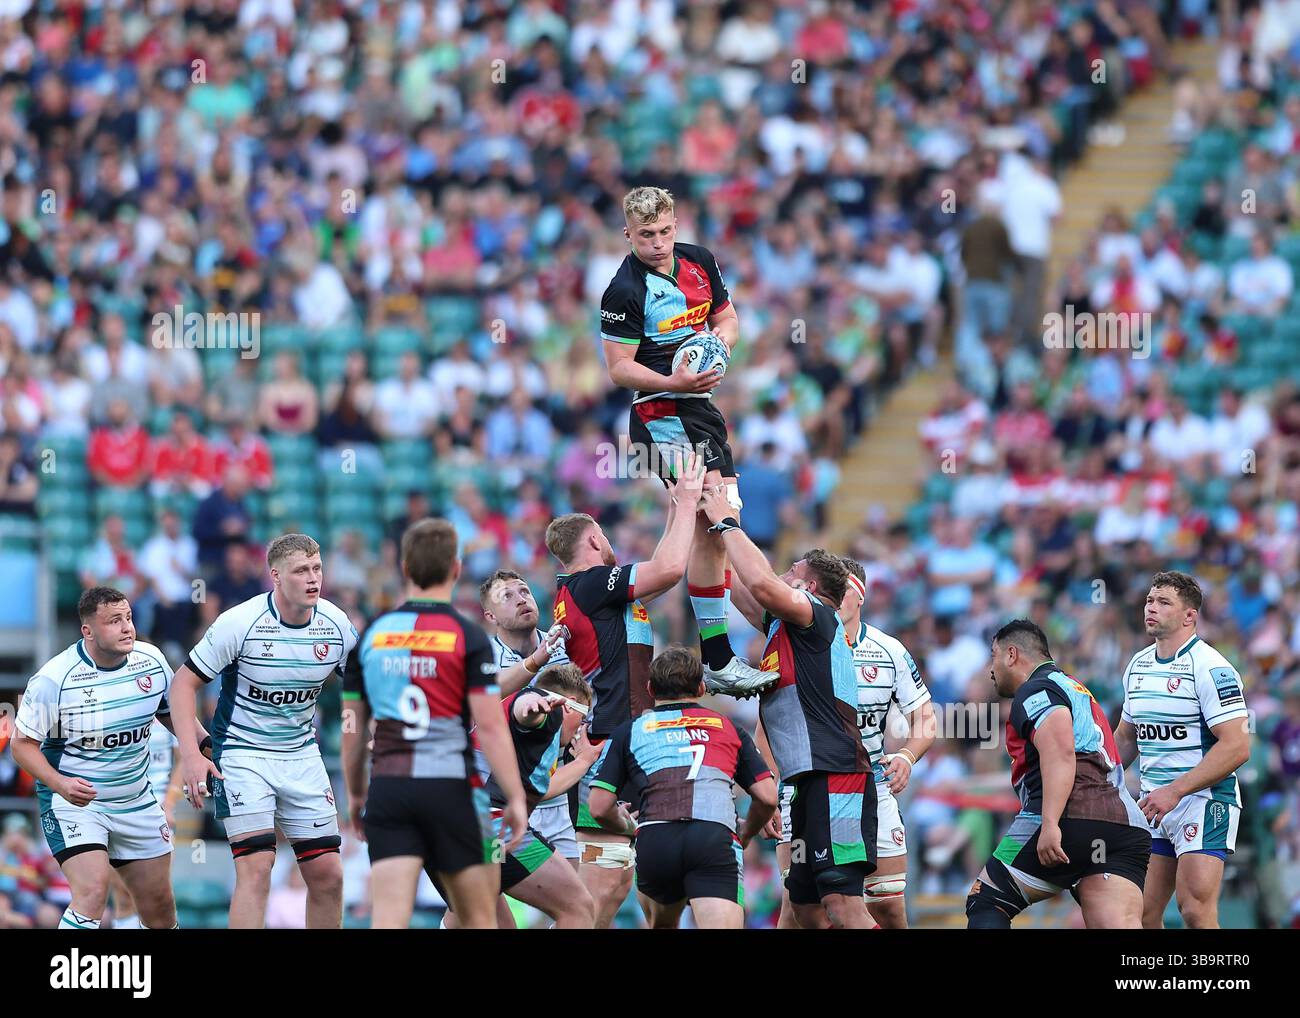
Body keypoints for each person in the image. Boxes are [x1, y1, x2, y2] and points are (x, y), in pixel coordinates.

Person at [599, 185, 773, 698]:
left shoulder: (700, 262)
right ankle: (717, 655)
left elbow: (728, 321)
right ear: (627, 234)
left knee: (718, 524)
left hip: (701, 410)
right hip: (658, 414)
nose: (657, 243)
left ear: (677, 225)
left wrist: (718, 349)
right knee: (714, 517)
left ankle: (728, 650)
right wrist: (676, 381)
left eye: (665, 231)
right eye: (645, 235)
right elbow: (618, 369)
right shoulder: (623, 291)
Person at [698, 485, 875, 929]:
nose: (781, 575)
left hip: (837, 773)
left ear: (808, 585)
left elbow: (758, 582)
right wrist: (704, 525)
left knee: (842, 903)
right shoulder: (786, 625)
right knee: (804, 908)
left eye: (790, 570)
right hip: (807, 779)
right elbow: (733, 584)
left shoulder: (816, 614)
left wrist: (728, 521)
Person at [339, 518, 528, 929]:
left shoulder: (371, 636)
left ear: (405, 569)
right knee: (480, 918)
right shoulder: (469, 636)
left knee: (388, 918)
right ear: (456, 570)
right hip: (453, 791)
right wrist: (514, 796)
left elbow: (352, 728)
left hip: (390, 789)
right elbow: (491, 725)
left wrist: (355, 796)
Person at [542, 450, 704, 927]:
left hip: (628, 737)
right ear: (595, 539)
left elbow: (664, 567)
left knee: (632, 887)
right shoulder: (591, 584)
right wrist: (690, 497)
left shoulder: (595, 595)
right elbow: (670, 570)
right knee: (600, 889)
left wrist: (679, 506)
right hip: (611, 738)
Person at [169, 533, 359, 929]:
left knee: (329, 875)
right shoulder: (240, 622)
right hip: (241, 753)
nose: (313, 579)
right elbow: (182, 685)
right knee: (257, 868)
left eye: (317, 568)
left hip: (302, 754)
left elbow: (362, 691)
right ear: (275, 575)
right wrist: (190, 756)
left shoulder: (336, 624)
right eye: (301, 570)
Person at [10, 586, 195, 929]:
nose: (127, 627)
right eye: (114, 621)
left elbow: (181, 722)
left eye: (128, 618)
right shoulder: (55, 678)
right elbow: (21, 746)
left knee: (160, 909)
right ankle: (70, 975)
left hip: (136, 801)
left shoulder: (152, 663)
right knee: (94, 893)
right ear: (88, 631)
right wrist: (60, 784)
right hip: (76, 802)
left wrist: (206, 753)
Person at [768, 557, 937, 929]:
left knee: (888, 905)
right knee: (798, 910)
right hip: (804, 785)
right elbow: (770, 725)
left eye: (843, 592)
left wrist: (907, 756)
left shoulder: (888, 650)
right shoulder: (792, 639)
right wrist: (769, 789)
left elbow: (925, 718)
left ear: (858, 598)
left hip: (869, 785)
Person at [967, 619, 1151, 929]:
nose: (991, 668)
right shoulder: (1077, 688)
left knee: (986, 899)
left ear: (1012, 655)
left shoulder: (1035, 689)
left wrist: (1050, 824)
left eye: (993, 655)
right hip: (1125, 830)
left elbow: (1061, 753)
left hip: (1066, 819)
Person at [589, 647, 777, 929]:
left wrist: (628, 826)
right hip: (713, 837)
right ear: (701, 688)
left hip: (656, 838)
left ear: (651, 688)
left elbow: (599, 806)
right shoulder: (728, 727)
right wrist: (747, 832)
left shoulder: (630, 730)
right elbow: (767, 796)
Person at [1114, 571, 1252, 929]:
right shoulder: (1138, 665)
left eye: (1163, 602)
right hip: (1155, 803)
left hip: (1203, 801)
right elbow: (1127, 738)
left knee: (1194, 910)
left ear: (1189, 616)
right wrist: (1096, 780)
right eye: (1149, 600)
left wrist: (1175, 791)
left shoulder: (1212, 668)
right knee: (1142, 913)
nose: (1151, 608)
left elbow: (1238, 746)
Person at [448, 664, 598, 928]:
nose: (581, 729)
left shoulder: (516, 726)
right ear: (570, 704)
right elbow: (527, 710)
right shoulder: (548, 713)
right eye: (583, 719)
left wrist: (582, 762)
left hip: (451, 827)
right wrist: (533, 708)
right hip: (488, 827)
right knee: (579, 907)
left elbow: (538, 790)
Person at [479, 569, 577, 867]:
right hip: (496, 804)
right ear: (490, 617)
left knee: (579, 904)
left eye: (524, 592)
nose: (521, 600)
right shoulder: (481, 656)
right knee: (488, 893)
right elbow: (483, 695)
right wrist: (535, 663)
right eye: (506, 597)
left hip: (557, 801)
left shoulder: (565, 646)